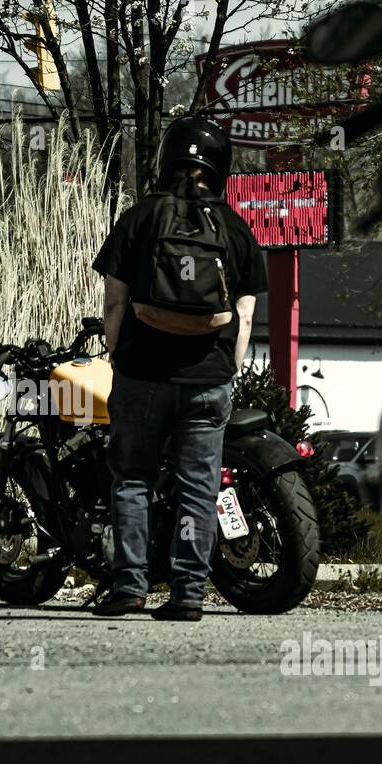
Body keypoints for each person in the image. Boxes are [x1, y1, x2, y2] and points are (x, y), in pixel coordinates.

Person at [90, 116, 266, 621]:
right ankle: (188, 594)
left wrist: (121, 357)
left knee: (132, 479)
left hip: (143, 373)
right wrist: (226, 370)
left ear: (167, 161)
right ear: (222, 168)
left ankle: (130, 587)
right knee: (197, 487)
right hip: (207, 379)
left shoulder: (140, 218)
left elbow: (114, 302)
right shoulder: (235, 229)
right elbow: (247, 315)